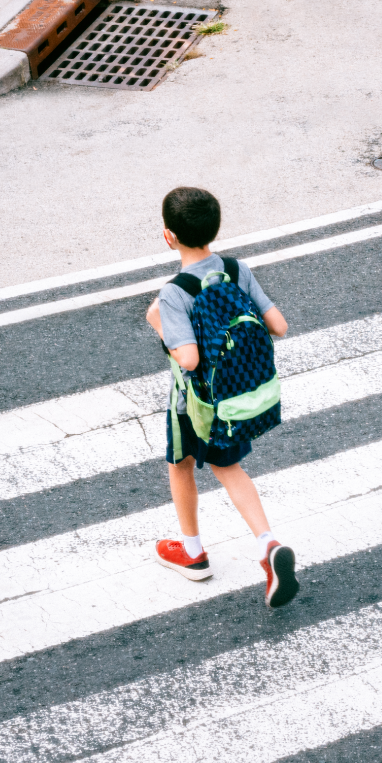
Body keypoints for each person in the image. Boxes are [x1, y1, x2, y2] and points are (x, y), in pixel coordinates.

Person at [145, 185, 298, 609]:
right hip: (235, 398)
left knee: (180, 465)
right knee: (229, 467)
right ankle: (268, 544)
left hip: (194, 406)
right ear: (215, 228)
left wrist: (157, 323)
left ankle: (192, 553)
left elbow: (189, 360)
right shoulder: (235, 268)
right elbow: (279, 326)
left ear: (168, 235)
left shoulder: (174, 293)